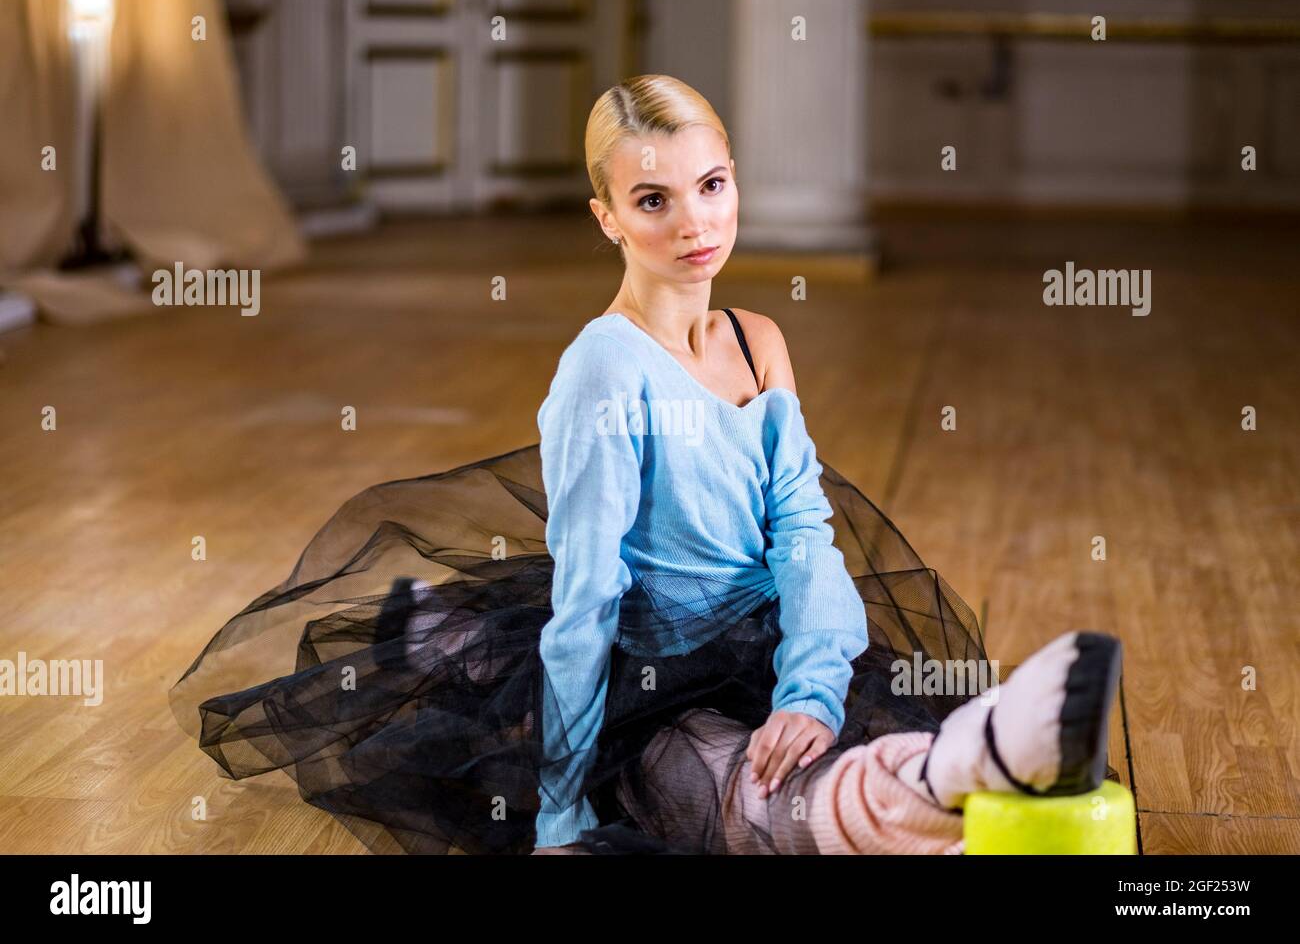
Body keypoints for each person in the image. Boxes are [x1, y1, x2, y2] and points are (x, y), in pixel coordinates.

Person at [169, 75, 1122, 856]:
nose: (694, 224)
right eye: (653, 200)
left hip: (766, 637)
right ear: (608, 218)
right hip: (649, 666)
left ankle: (947, 773)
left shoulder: (758, 340)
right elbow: (587, 599)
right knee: (743, 797)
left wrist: (813, 684)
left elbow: (802, 529)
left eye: (712, 187)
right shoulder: (602, 369)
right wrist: (559, 810)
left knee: (835, 729)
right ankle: (944, 779)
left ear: (734, 180)